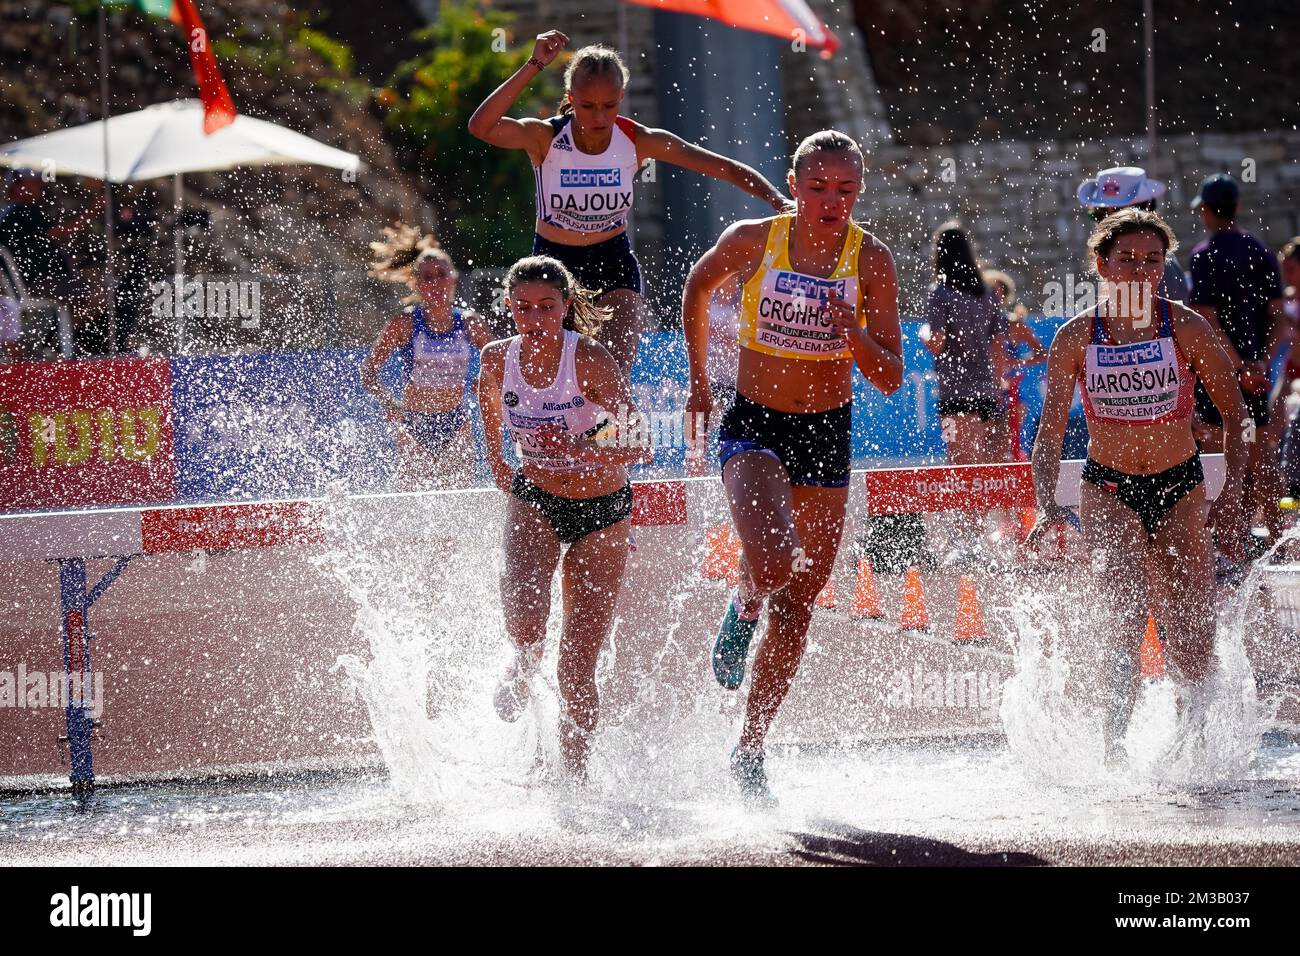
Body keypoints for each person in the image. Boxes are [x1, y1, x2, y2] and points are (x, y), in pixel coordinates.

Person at [682, 130, 902, 798]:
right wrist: (699, 383)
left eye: (846, 189)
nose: (831, 201)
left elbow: (890, 375)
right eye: (817, 186)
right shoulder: (756, 239)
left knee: (802, 602)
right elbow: (697, 284)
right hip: (756, 419)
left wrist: (852, 331)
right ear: (794, 184)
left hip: (827, 431)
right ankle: (743, 604)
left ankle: (751, 746)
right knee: (775, 561)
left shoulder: (872, 261)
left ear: (859, 192)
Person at [1029, 208, 1246, 768]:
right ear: (1102, 265)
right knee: (1124, 617)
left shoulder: (1187, 328)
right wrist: (1046, 505)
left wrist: (1232, 499)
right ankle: (1113, 752)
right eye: (1127, 259)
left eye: (1153, 260)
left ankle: (1194, 750)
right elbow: (1049, 433)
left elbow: (1234, 414)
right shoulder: (1077, 335)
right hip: (1110, 488)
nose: (1141, 270)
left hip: (1181, 486)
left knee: (1190, 631)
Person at [469, 34, 792, 374]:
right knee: (558, 375)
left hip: (613, 259)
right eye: (588, 106)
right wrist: (534, 65)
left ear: (621, 97)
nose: (599, 117)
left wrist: (776, 198)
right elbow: (481, 127)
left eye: (609, 105)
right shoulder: (545, 137)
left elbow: (720, 166)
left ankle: (616, 427)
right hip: (555, 262)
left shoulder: (637, 140)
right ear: (570, 99)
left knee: (614, 371)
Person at [477, 255, 651, 781]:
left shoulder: (591, 360)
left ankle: (572, 779)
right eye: (523, 309)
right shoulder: (494, 359)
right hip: (539, 498)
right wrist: (498, 460)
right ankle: (521, 657)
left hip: (602, 511)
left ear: (565, 308)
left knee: (577, 665)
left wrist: (579, 442)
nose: (534, 320)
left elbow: (636, 443)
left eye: (546, 309)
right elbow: (489, 407)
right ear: (509, 308)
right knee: (525, 613)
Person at [1186, 174, 1287, 544]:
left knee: (1218, 460)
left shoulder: (1204, 254)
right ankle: (1278, 545)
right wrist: (1259, 362)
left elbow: (1207, 320)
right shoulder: (1261, 250)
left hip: (1221, 374)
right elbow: (1279, 318)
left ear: (1208, 212)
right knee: (1261, 458)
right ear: (1238, 207)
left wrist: (1237, 364)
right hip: (1254, 375)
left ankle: (1227, 546)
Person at [360, 225, 493, 490]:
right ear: (418, 283)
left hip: (456, 422)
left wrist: (483, 383)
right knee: (414, 509)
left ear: (453, 278)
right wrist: (389, 404)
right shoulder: (405, 323)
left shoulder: (470, 324)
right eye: (427, 277)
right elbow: (369, 369)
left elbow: (501, 364)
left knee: (457, 503)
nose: (435, 283)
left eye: (441, 275)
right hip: (413, 424)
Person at [921, 223, 1009, 465]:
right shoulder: (987, 295)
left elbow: (937, 344)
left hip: (955, 390)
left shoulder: (940, 293)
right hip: (986, 390)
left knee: (960, 464)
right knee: (984, 465)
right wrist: (997, 388)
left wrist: (923, 333)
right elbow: (998, 346)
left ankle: (968, 506)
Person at [1076, 166, 1188, 300]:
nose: (1099, 226)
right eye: (1097, 216)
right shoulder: (1148, 265)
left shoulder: (1158, 271)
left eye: (1105, 217)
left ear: (1136, 218)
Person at [985, 269, 1046, 461]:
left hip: (1008, 393)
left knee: (1006, 447)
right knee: (982, 448)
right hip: (983, 389)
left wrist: (1015, 362)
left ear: (1005, 296)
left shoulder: (1013, 324)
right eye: (990, 292)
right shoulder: (975, 323)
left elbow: (1043, 354)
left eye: (998, 293)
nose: (994, 298)